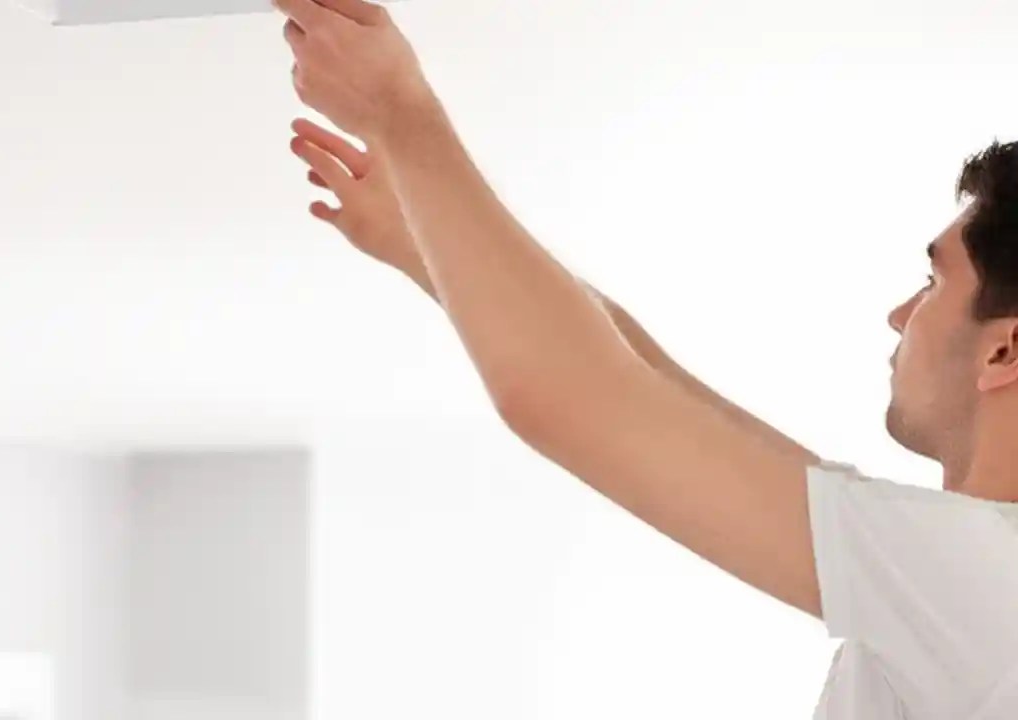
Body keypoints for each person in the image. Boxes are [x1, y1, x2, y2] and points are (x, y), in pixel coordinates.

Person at [272, 0, 1018, 717]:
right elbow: (649, 386)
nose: (899, 314)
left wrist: (402, 115)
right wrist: (428, 247)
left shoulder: (987, 581)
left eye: (933, 282)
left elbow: (579, 399)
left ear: (1005, 346)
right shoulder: (958, 576)